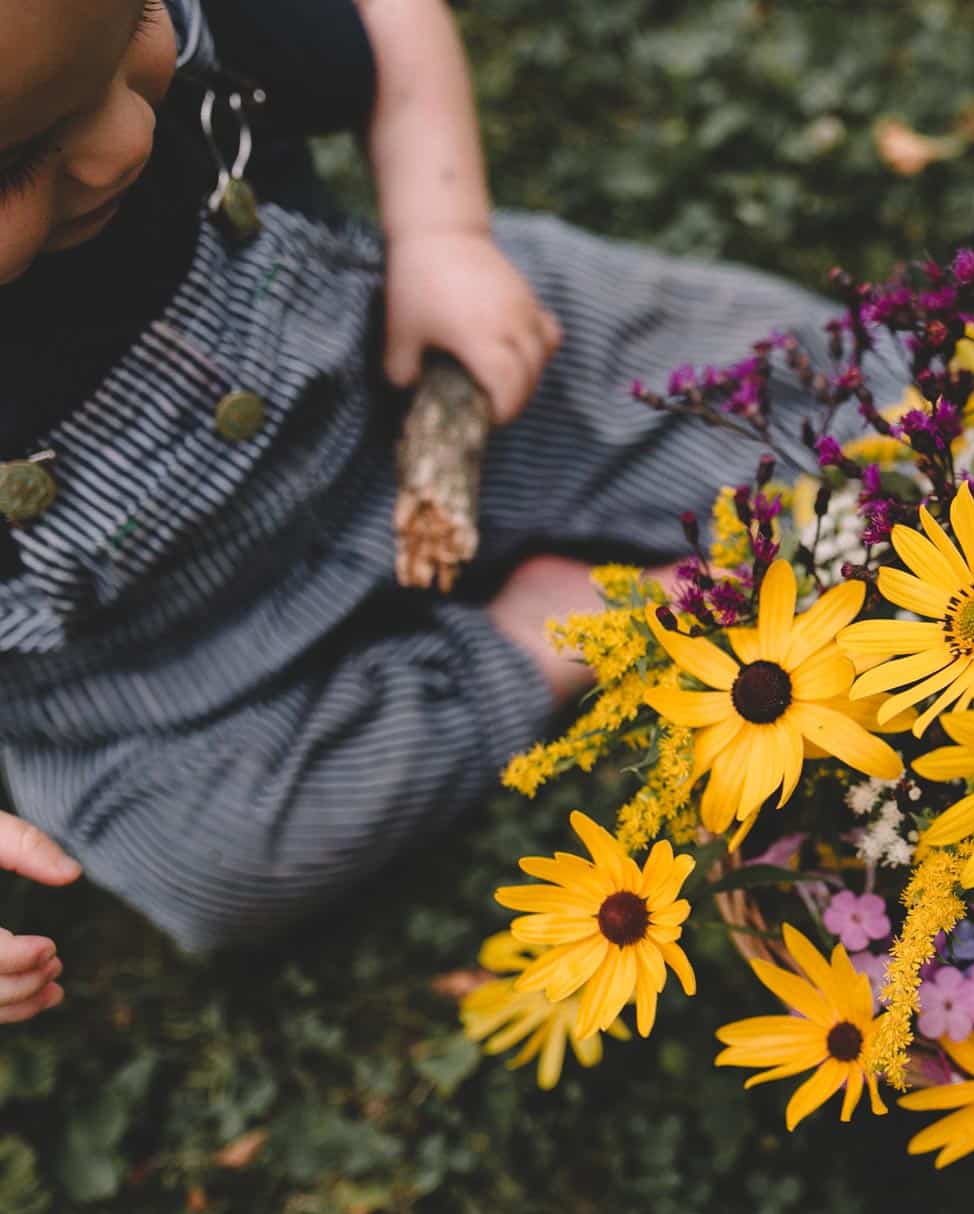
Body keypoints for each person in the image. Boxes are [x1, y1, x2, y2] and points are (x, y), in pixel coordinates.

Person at [0, 0, 866, 1007]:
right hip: (154, 672)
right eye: (16, 161)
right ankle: (536, 632)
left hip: (401, 388)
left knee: (848, 407)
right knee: (211, 859)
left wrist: (441, 235)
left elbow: (388, 26)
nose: (123, 141)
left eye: (138, 25)